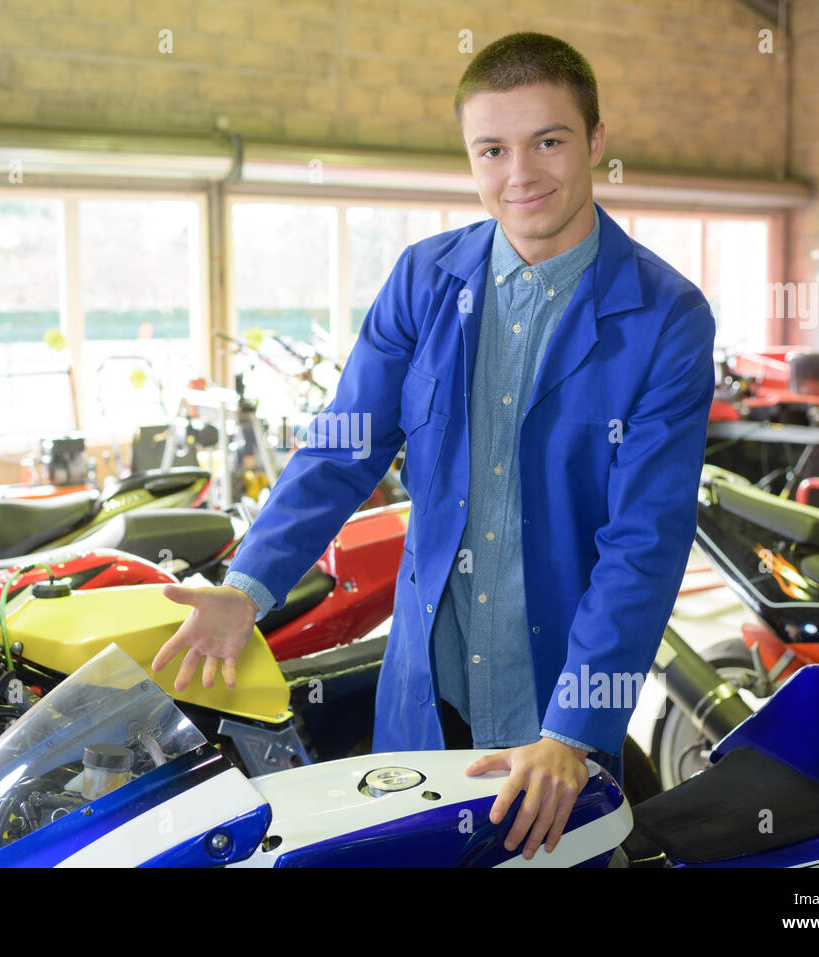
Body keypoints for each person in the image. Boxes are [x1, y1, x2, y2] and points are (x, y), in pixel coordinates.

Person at [153, 32, 715, 862]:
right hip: (424, 691)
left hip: (553, 713)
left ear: (595, 141)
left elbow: (645, 543)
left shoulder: (665, 315)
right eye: (492, 149)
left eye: (548, 141)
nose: (519, 175)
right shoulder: (424, 279)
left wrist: (576, 729)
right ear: (470, 155)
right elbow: (340, 446)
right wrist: (249, 582)